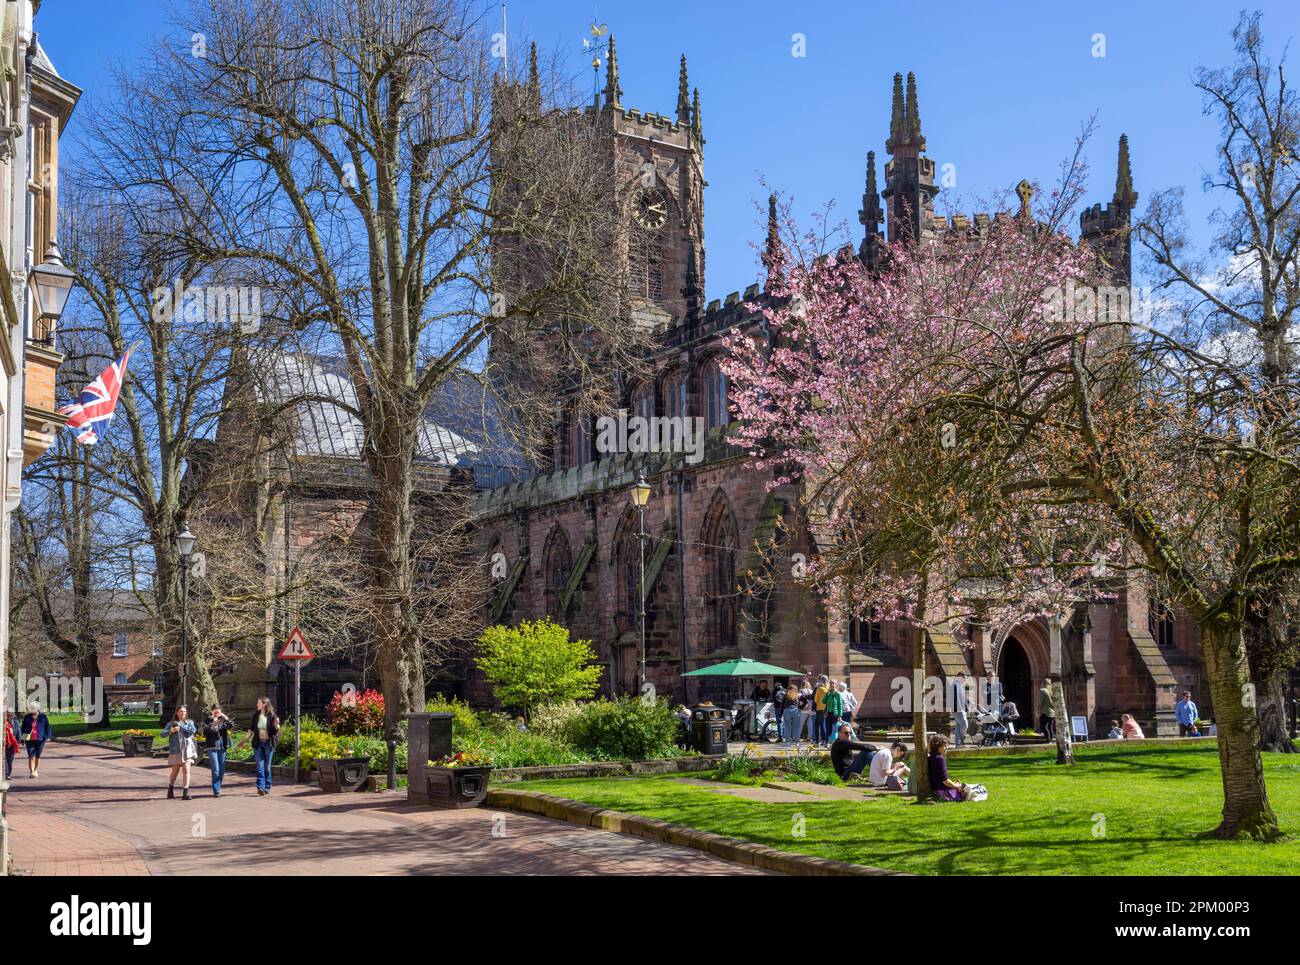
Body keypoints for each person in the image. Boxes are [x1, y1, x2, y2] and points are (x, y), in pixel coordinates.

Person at [162, 705, 197, 800]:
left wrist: (181, 727)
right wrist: (171, 730)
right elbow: (162, 734)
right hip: (175, 750)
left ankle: (185, 792)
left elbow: (192, 731)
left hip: (187, 749)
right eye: (181, 711)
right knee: (175, 771)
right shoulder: (172, 723)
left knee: (186, 770)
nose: (183, 713)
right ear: (177, 713)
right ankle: (170, 789)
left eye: (184, 711)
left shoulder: (189, 722)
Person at [201, 703, 236, 798]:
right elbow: (205, 731)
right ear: (212, 711)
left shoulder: (223, 720)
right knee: (215, 769)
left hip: (222, 746)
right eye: (215, 711)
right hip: (211, 746)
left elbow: (232, 725)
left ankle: (218, 786)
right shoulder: (208, 720)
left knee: (222, 769)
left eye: (218, 711)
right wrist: (213, 723)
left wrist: (225, 717)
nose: (216, 713)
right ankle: (216, 790)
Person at [250, 696, 281, 796]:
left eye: (259, 703)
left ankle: (267, 786)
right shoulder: (256, 715)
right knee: (260, 767)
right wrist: (244, 740)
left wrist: (277, 725)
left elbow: (276, 729)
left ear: (264, 704)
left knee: (267, 767)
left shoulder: (272, 715)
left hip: (268, 744)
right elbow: (251, 729)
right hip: (258, 743)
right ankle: (260, 787)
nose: (257, 704)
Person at [927, 734, 971, 802]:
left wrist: (954, 784)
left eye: (947, 745)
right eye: (944, 746)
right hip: (943, 792)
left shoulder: (930, 758)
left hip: (934, 790)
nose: (946, 747)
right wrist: (957, 787)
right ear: (937, 746)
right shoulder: (940, 759)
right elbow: (945, 781)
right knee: (968, 789)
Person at [20, 700, 51, 779]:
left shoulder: (43, 717)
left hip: (40, 739)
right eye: (31, 708)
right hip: (29, 740)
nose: (32, 709)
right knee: (31, 756)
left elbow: (47, 727)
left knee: (37, 756)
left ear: (38, 708)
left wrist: (48, 736)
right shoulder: (27, 717)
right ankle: (32, 772)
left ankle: (36, 770)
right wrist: (22, 739)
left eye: (34, 708)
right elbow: (23, 728)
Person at [782, 685, 803, 749]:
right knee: (797, 727)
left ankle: (787, 742)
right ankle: (797, 743)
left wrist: (780, 714)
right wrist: (800, 707)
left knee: (787, 727)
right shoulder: (798, 695)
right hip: (796, 711)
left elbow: (782, 704)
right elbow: (805, 701)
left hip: (787, 711)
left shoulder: (786, 695)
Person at [952, 673, 970, 747]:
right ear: (959, 677)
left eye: (965, 678)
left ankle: (958, 744)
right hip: (958, 709)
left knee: (959, 726)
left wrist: (968, 704)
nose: (965, 680)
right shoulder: (955, 685)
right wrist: (959, 708)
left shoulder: (960, 685)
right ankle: (961, 741)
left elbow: (964, 698)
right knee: (965, 724)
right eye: (964, 678)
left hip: (962, 709)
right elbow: (955, 698)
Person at [813, 675, 830, 745]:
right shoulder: (828, 688)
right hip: (826, 709)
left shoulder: (820, 688)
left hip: (820, 708)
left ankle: (817, 742)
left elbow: (816, 700)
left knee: (816, 725)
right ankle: (825, 741)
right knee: (824, 725)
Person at [4, 710, 20, 780]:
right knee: (6, 759)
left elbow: (19, 731)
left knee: (10, 759)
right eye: (9, 715)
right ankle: (6, 774)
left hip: (13, 743)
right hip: (6, 743)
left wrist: (19, 741)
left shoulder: (16, 721)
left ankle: (8, 773)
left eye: (12, 715)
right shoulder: (4, 722)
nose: (11, 717)